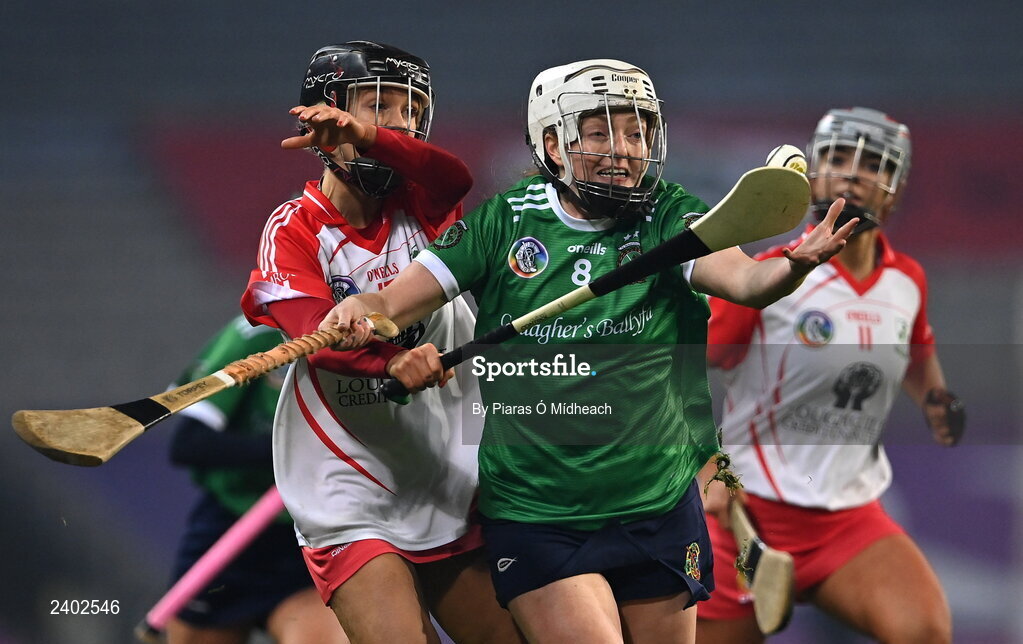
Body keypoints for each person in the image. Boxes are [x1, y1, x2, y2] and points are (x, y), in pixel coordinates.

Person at [318, 59, 855, 644]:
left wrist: (791, 269)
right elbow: (393, 303)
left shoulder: (668, 214)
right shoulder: (506, 222)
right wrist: (358, 311)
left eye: (637, 131)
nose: (624, 149)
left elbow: (747, 283)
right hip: (540, 516)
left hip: (658, 505)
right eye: (600, 132)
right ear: (553, 141)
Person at [240, 41, 522, 644]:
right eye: (377, 107)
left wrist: (367, 135)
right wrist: (392, 361)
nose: (398, 125)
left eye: (410, 112)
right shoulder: (292, 229)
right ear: (324, 113)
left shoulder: (424, 202)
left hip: (445, 465)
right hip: (346, 481)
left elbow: (456, 175)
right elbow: (318, 339)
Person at [696, 107, 962, 644]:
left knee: (925, 631)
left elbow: (913, 348)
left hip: (849, 521)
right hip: (745, 519)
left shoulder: (907, 280)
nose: (851, 174)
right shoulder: (768, 278)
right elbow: (676, 371)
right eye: (837, 159)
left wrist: (935, 396)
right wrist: (706, 465)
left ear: (893, 189)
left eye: (871, 164)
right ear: (813, 174)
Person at [164, 316, 349, 644]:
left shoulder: (379, 331)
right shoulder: (254, 335)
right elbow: (188, 443)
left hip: (313, 536)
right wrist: (286, 449)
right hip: (234, 531)